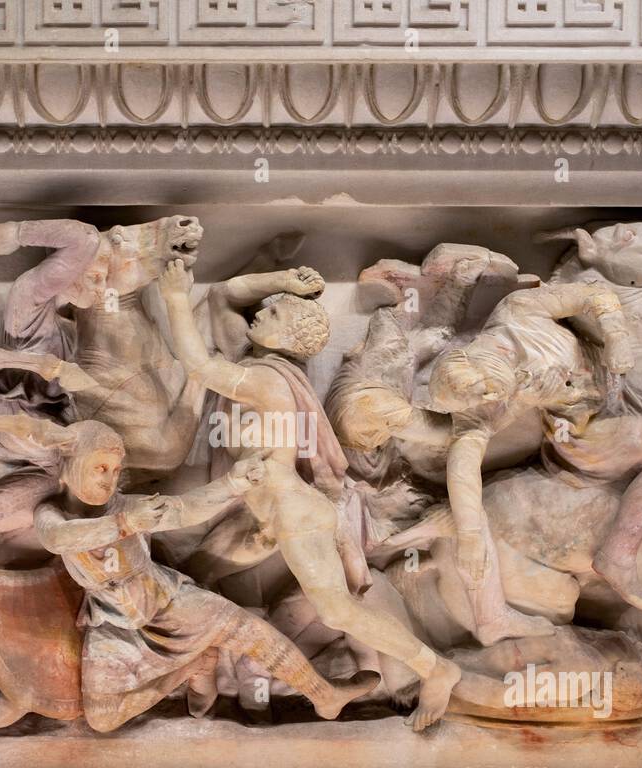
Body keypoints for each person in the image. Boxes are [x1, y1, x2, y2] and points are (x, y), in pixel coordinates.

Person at [157, 259, 462, 731]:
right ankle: (201, 667)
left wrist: (176, 297)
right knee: (191, 578)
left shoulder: (267, 380)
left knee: (337, 609)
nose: (261, 313)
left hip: (294, 515)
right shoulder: (253, 362)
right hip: (261, 516)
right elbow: (224, 293)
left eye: (274, 314)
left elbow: (197, 364)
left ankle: (435, 667)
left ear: (285, 339)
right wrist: (279, 281)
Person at [33, 420, 377, 732]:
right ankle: (190, 667)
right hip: (112, 624)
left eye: (115, 470)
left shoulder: (128, 506)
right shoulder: (52, 513)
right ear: (68, 468)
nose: (109, 480)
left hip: (169, 600)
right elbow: (58, 537)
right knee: (103, 718)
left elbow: (185, 509)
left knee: (248, 630)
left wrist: (232, 483)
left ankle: (324, 694)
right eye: (100, 468)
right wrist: (124, 524)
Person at [429, 282, 642, 625]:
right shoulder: (478, 405)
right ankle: (618, 555)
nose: (494, 404)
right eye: (485, 402)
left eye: (491, 394)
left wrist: (616, 337)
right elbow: (463, 459)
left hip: (618, 376)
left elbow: (594, 293)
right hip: (586, 427)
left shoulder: (518, 309)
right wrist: (468, 535)